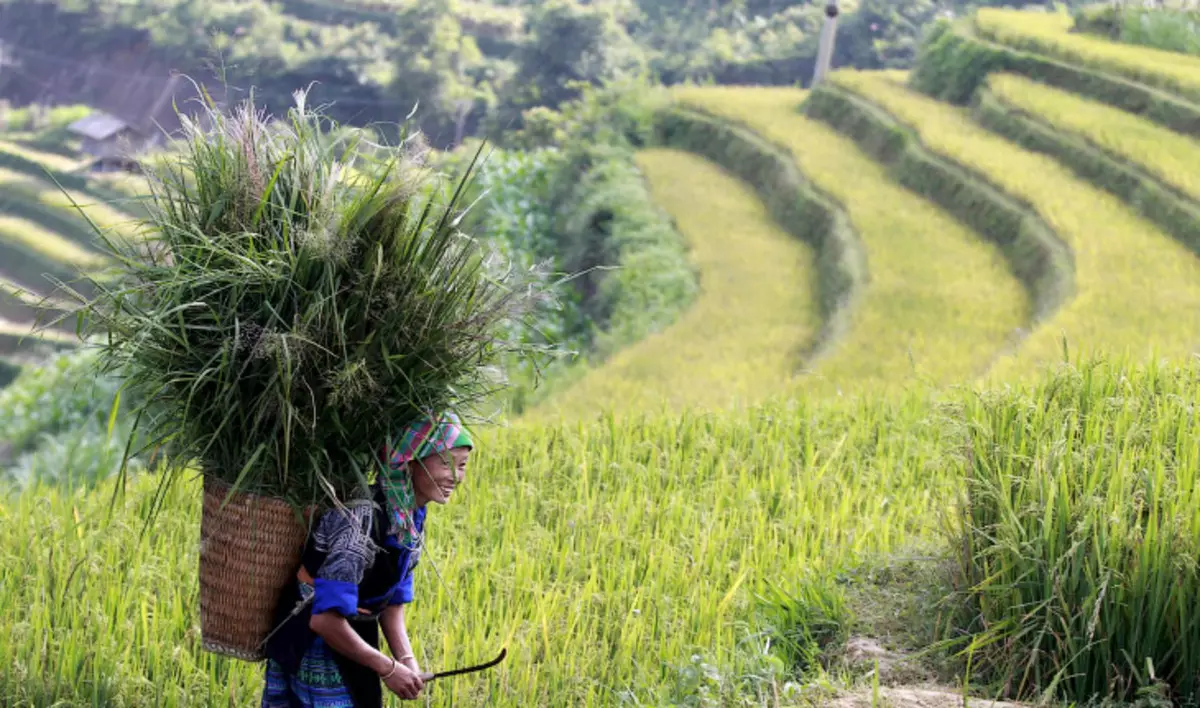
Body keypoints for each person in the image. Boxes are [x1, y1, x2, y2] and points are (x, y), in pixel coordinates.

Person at [261, 412, 473, 707]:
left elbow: (392, 596)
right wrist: (387, 667)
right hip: (313, 638)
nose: (456, 476)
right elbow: (324, 620)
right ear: (411, 462)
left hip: (353, 630)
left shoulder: (411, 515)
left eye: (462, 466)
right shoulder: (359, 522)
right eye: (446, 464)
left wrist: (405, 659)